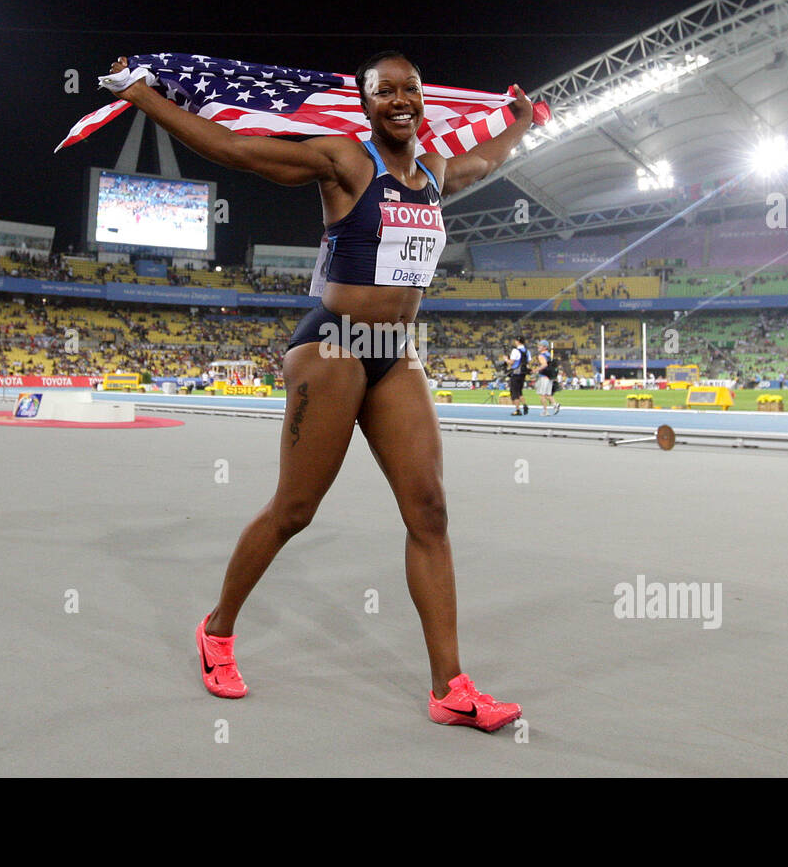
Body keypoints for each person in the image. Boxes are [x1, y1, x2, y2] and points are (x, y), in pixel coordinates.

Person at [109, 51, 532, 731]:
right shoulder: (344, 162)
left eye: (410, 90)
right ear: (364, 105)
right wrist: (142, 97)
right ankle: (216, 631)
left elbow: (488, 159)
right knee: (296, 508)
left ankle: (450, 686)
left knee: (430, 512)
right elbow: (235, 150)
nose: (399, 100)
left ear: (423, 102)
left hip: (393, 352)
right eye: (384, 91)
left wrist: (522, 120)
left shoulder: (434, 175)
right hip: (333, 343)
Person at [534, 339, 559, 416]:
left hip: (543, 377)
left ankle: (545, 411)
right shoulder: (549, 355)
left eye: (540, 345)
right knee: (548, 394)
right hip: (549, 377)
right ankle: (555, 405)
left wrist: (536, 370)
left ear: (544, 347)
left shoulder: (541, 355)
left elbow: (544, 365)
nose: (538, 347)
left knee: (542, 395)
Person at [508, 335, 530, 417]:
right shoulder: (527, 351)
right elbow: (528, 361)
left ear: (517, 341)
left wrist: (506, 359)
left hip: (516, 372)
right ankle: (524, 404)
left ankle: (518, 410)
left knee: (515, 392)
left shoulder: (515, 350)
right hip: (523, 373)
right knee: (520, 391)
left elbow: (511, 362)